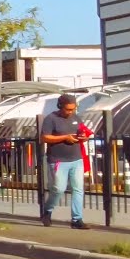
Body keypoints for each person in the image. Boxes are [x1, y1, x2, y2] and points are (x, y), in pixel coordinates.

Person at [40, 93, 91, 229]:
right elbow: (45, 138)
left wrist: (84, 137)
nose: (70, 112)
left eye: (73, 109)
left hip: (76, 158)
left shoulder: (76, 117)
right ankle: (47, 211)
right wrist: (64, 138)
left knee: (78, 189)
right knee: (58, 189)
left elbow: (82, 131)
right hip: (58, 160)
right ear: (60, 106)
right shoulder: (51, 119)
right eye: (68, 109)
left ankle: (76, 219)